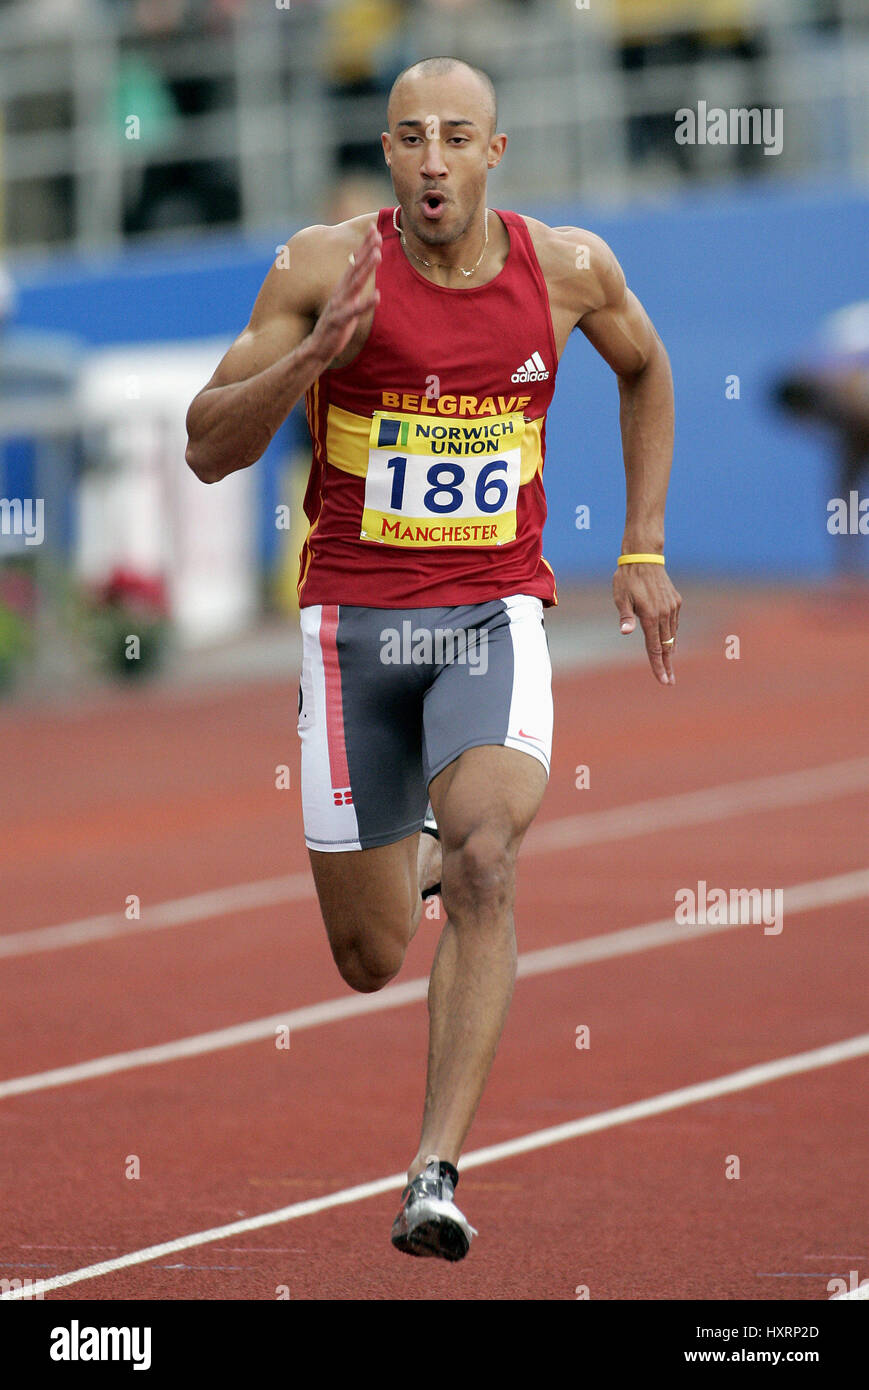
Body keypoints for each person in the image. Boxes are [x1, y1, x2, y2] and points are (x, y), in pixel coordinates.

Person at [185, 55, 680, 1262]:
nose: (431, 160)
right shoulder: (316, 268)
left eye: (456, 136)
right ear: (388, 154)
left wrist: (642, 542)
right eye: (408, 137)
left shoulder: (565, 268)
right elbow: (205, 446)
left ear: (493, 153)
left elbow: (646, 370)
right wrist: (313, 362)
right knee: (364, 960)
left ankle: (433, 1172)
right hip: (352, 624)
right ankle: (402, 859)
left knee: (487, 856)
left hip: (489, 612)